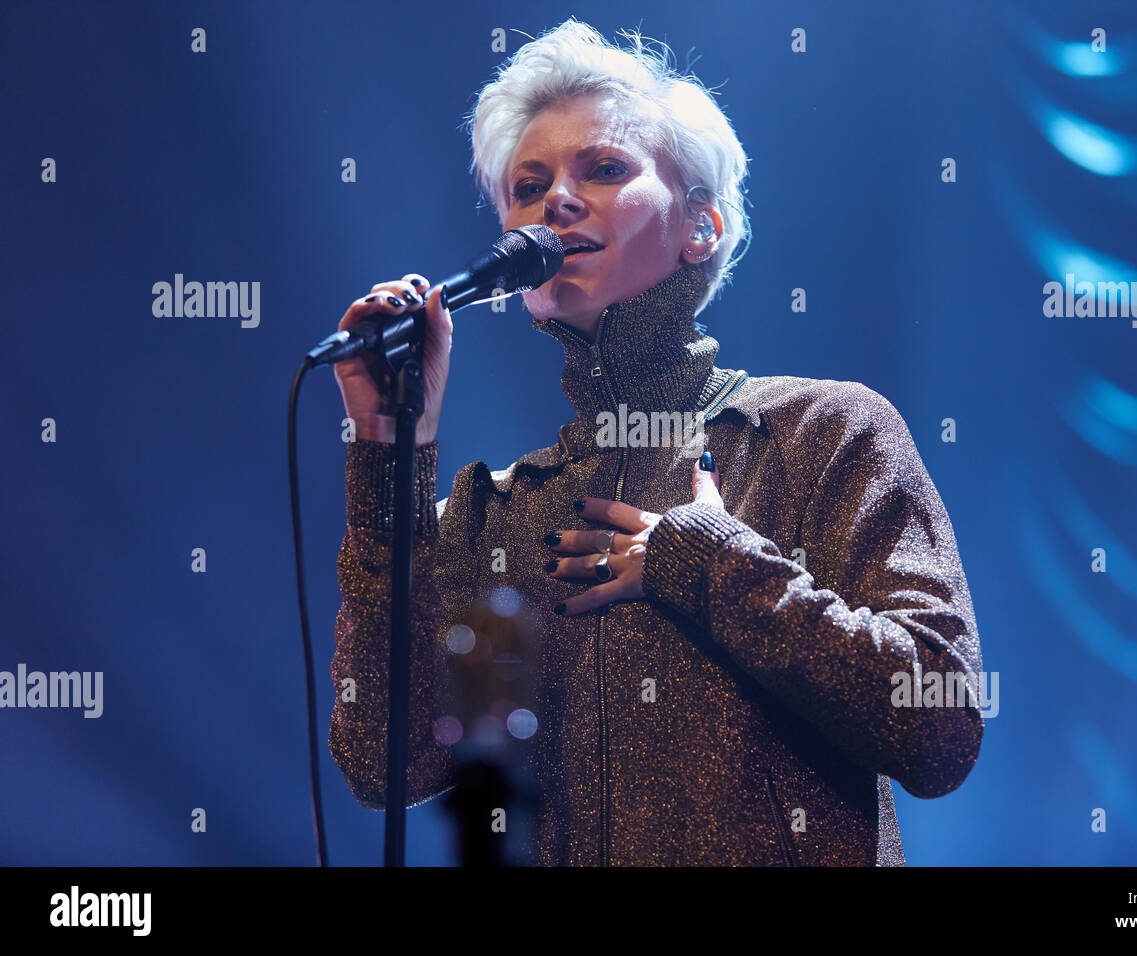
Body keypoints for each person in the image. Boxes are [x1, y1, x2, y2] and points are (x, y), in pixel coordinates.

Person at [328, 17, 983, 866]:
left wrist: (710, 564)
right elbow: (387, 762)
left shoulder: (823, 432)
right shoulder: (496, 516)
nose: (555, 201)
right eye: (527, 188)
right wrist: (390, 451)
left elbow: (941, 725)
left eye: (603, 169)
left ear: (699, 227)